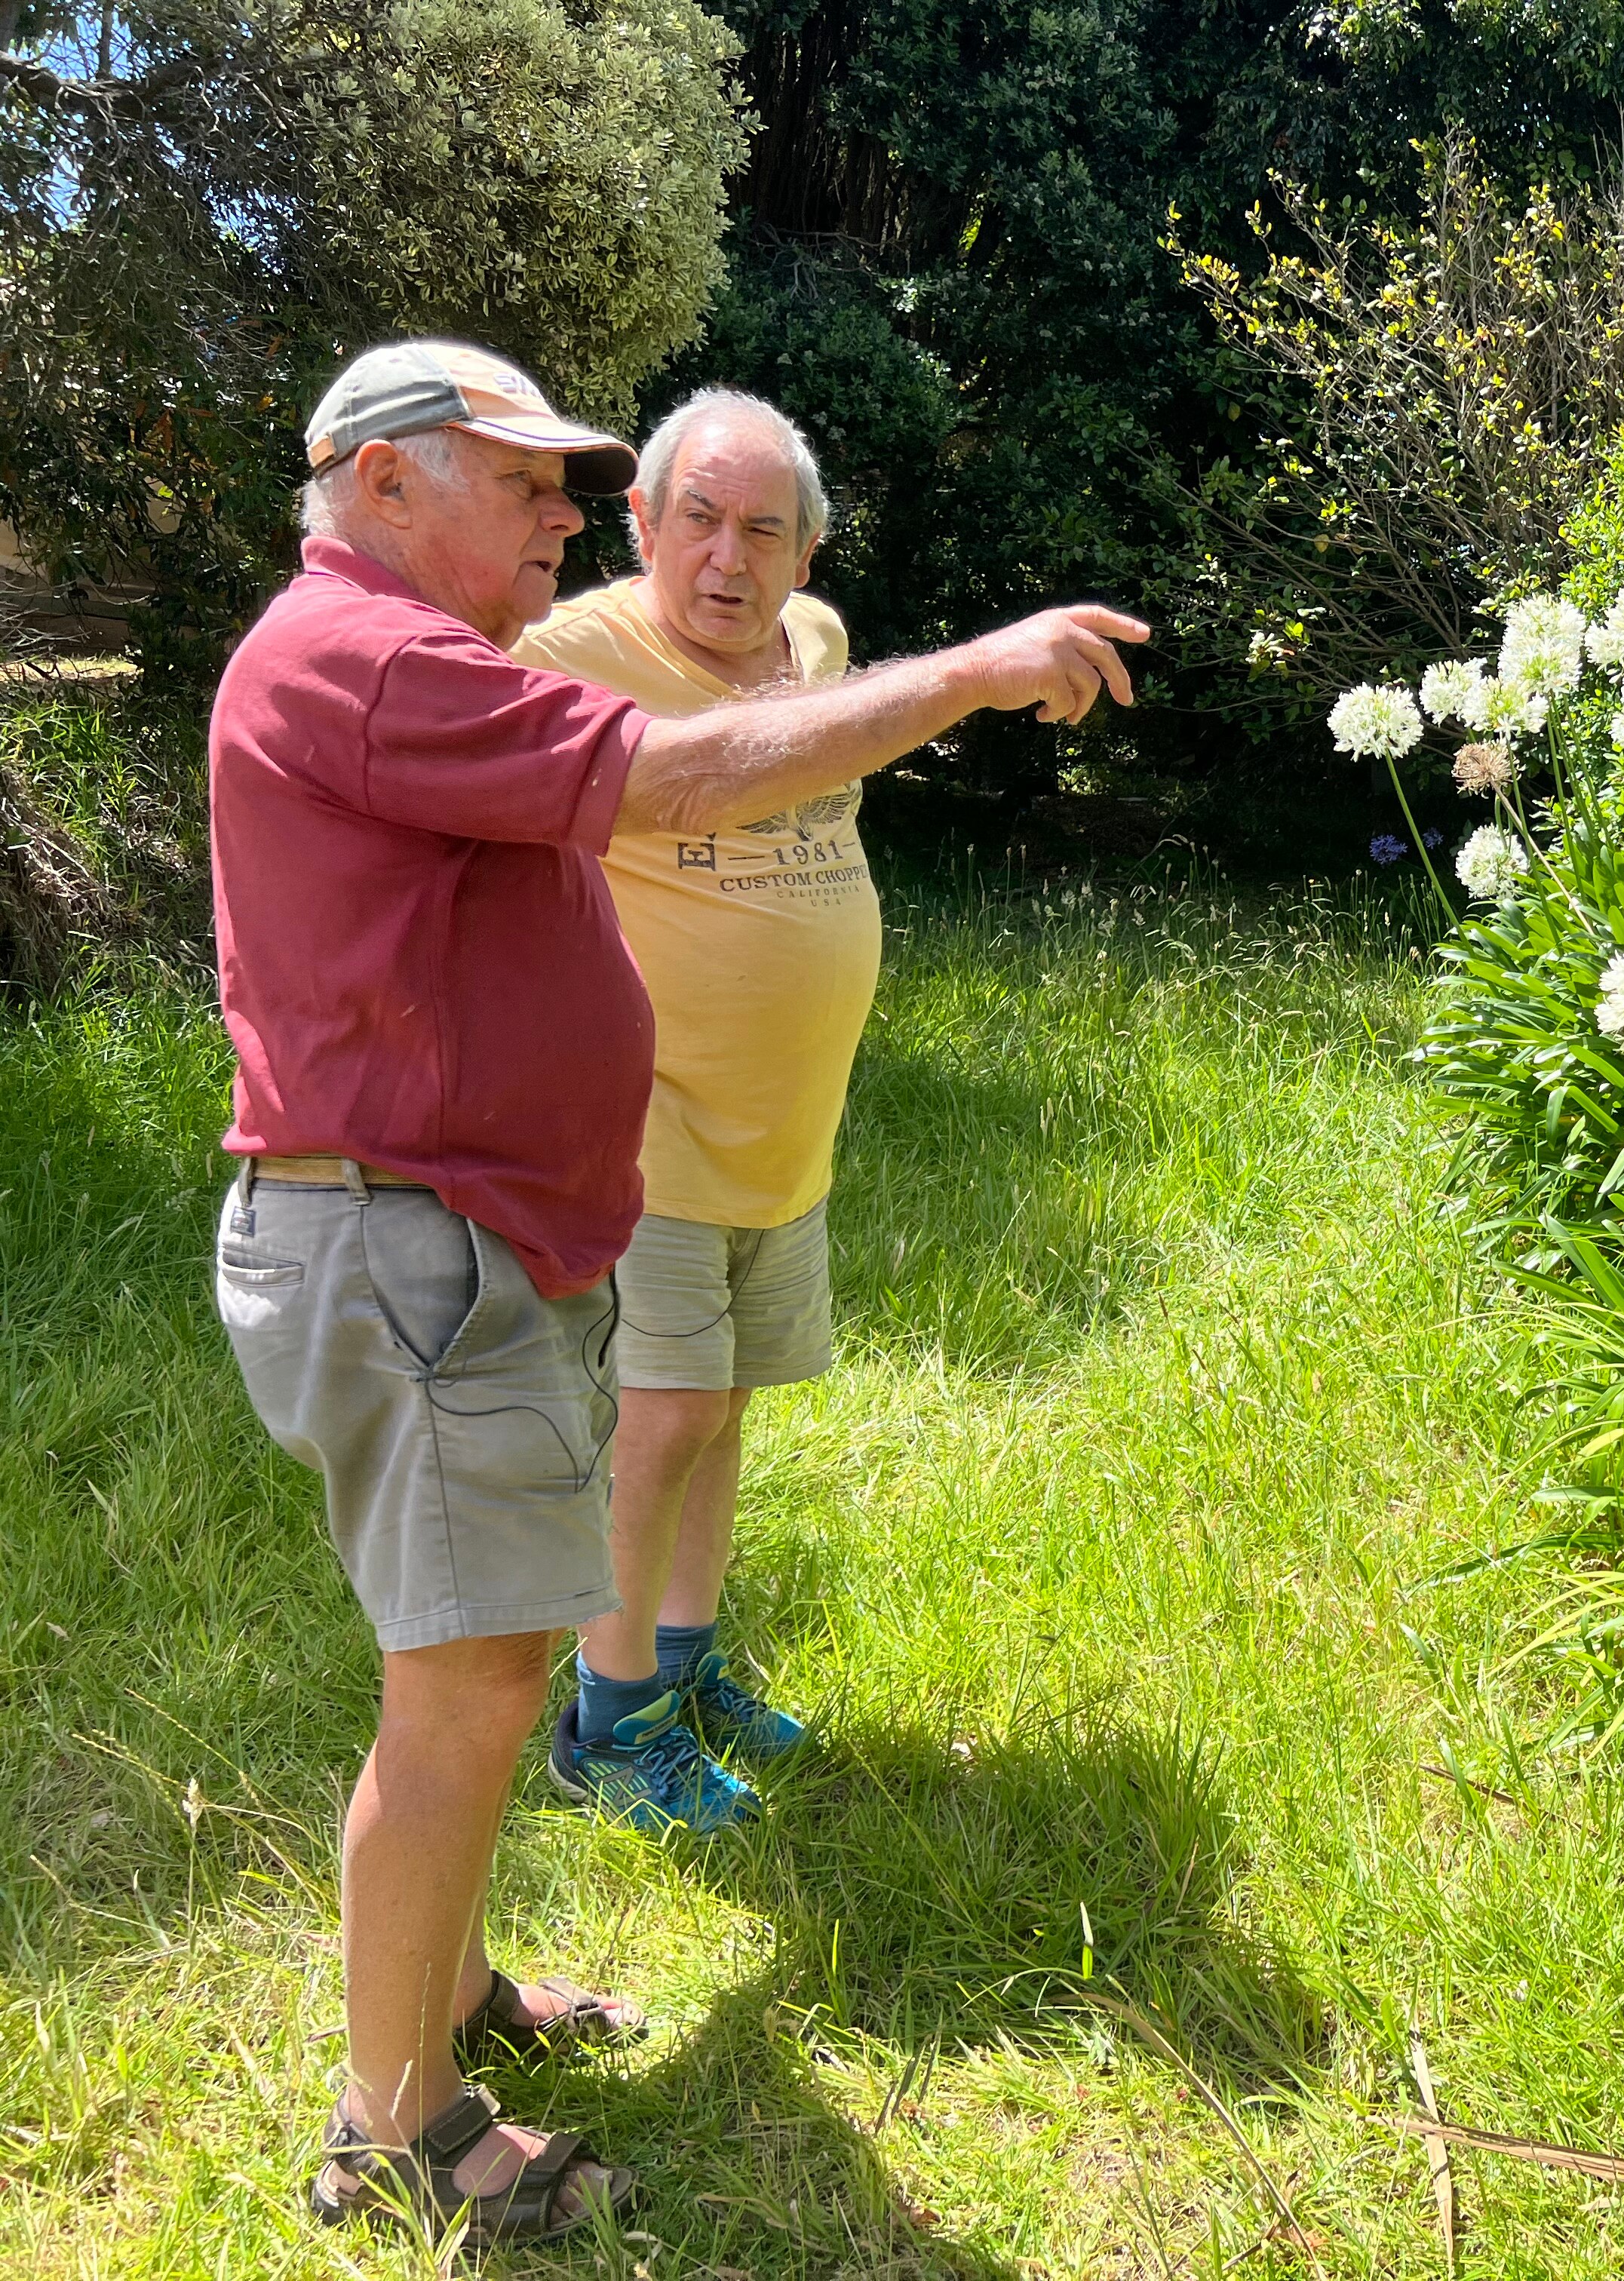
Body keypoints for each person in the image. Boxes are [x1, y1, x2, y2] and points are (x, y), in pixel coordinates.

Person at [209, 338, 1144, 2246]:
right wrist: (969, 673)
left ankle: (447, 1992)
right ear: (382, 484)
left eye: (574, 486)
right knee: (469, 1687)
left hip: (460, 1239)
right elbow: (680, 771)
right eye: (526, 481)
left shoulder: (410, 657)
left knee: (480, 1664)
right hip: (407, 1245)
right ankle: (396, 2130)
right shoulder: (367, 659)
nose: (570, 517)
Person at [510, 390, 864, 1832]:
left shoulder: (819, 643)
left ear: (806, 551)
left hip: (785, 1135)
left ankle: (683, 1659)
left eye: (764, 530)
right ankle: (609, 1728)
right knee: (660, 1421)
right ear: (643, 524)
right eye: (699, 521)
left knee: (723, 1414)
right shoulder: (569, 652)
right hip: (642, 1132)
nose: (730, 558)